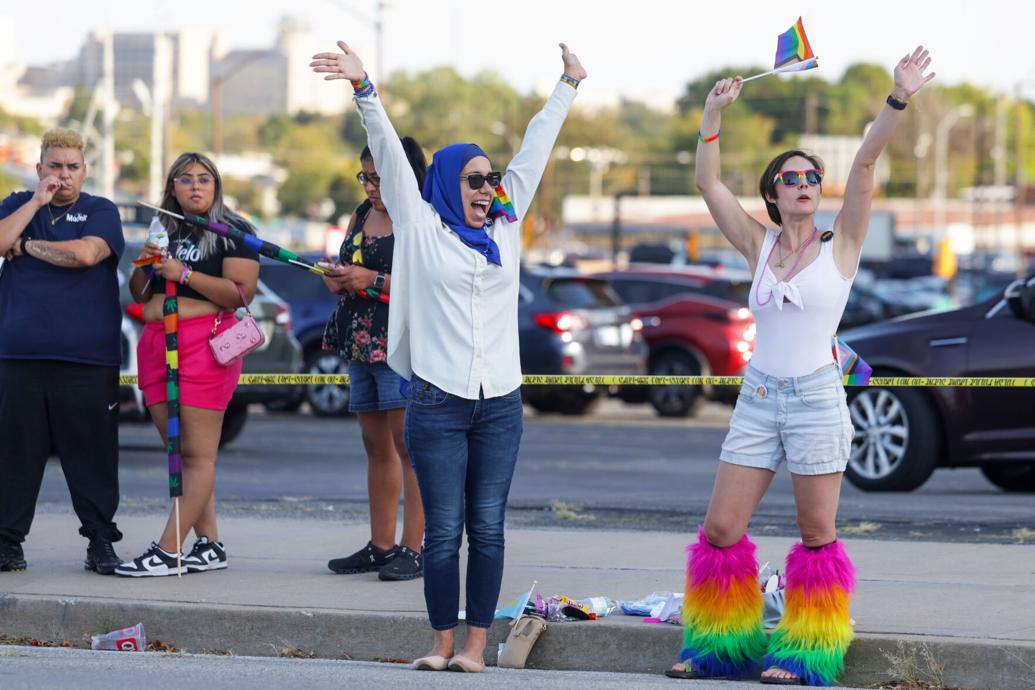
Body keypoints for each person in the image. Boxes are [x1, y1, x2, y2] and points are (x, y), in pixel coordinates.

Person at [311, 40, 585, 672]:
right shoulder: (424, 229)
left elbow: (534, 153)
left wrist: (567, 87)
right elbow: (389, 157)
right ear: (445, 183)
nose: (487, 189)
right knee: (442, 533)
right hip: (435, 400)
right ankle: (439, 644)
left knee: (486, 530)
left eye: (491, 180)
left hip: (500, 405)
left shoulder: (506, 228)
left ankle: (476, 647)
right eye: (474, 180)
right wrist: (364, 90)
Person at [668, 47, 935, 685]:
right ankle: (718, 648)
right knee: (722, 527)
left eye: (813, 178)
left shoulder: (840, 242)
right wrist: (711, 114)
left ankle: (807, 654)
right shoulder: (755, 244)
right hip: (759, 396)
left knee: (817, 532)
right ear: (773, 192)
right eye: (793, 178)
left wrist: (897, 98)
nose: (806, 185)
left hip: (817, 396)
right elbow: (709, 183)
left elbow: (866, 161)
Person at [115, 152, 260, 577]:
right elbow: (140, 292)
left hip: (203, 342)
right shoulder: (165, 227)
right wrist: (147, 260)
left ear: (216, 185)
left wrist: (185, 274)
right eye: (185, 179)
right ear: (172, 187)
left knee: (198, 455)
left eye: (203, 179)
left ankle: (167, 550)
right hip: (157, 338)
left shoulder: (234, 231)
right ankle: (209, 544)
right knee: (179, 451)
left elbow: (240, 293)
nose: (195, 186)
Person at [0, 128, 126, 575]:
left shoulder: (100, 209)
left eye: (72, 167)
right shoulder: (18, 204)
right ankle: (7, 543)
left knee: (90, 455)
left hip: (86, 360)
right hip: (19, 356)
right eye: (54, 166)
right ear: (39, 169)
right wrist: (34, 204)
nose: (63, 176)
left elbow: (87, 254)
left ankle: (99, 541)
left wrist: (30, 246)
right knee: (15, 454)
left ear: (84, 171)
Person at [322, 139, 427, 581]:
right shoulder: (362, 214)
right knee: (375, 446)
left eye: (379, 177)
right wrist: (340, 279)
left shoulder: (420, 215)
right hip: (359, 340)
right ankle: (381, 545)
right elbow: (354, 267)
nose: (371, 186)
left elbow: (427, 281)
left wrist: (373, 278)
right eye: (365, 176)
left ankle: (416, 547)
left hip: (398, 344)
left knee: (411, 448)